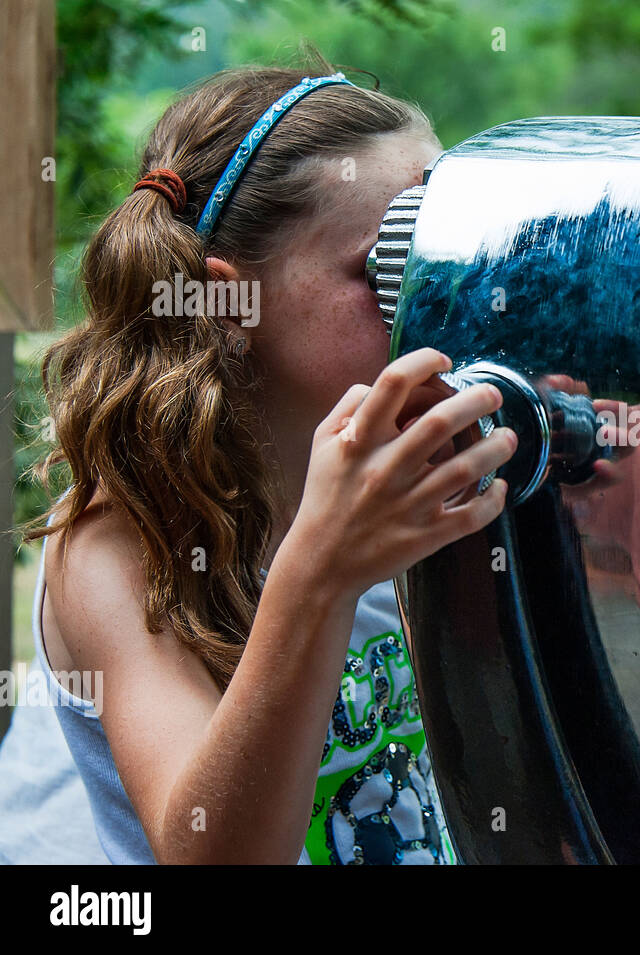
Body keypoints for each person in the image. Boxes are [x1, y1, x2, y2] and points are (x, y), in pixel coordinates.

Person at [14, 57, 517, 864]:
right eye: (388, 268)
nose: (435, 301)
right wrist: (321, 572)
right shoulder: (115, 545)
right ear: (226, 305)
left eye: (443, 253)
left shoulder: (409, 475)